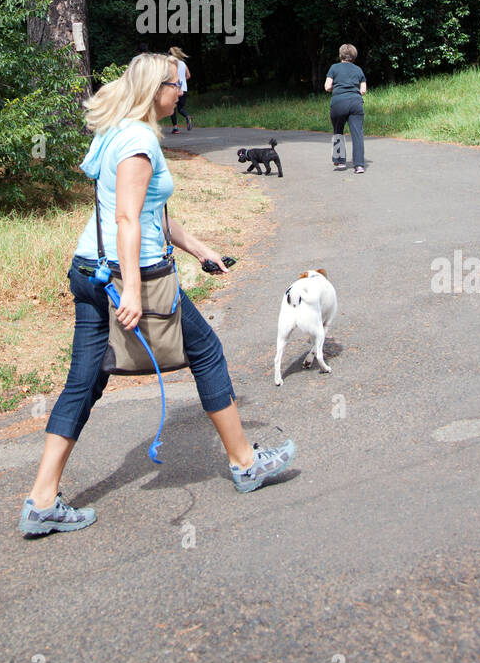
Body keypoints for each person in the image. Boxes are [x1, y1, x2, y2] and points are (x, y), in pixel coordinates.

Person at [18, 52, 296, 535]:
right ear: (155, 87)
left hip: (89, 270)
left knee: (84, 381)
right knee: (206, 351)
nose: (183, 92)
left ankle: (42, 501)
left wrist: (201, 251)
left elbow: (153, 214)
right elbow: (128, 218)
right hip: (134, 276)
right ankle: (246, 464)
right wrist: (130, 290)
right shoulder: (139, 140)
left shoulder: (118, 130)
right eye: (177, 84)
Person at [324, 44, 367, 174]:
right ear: (354, 56)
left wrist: (336, 88)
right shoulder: (358, 70)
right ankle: (359, 165)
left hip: (338, 103)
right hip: (355, 103)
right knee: (357, 134)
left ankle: (340, 162)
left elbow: (327, 86)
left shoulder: (334, 68)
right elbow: (363, 90)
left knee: (338, 131)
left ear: (340, 55)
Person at [168, 45, 192, 133]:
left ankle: (175, 128)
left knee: (172, 108)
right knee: (180, 108)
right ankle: (187, 116)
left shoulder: (171, 64)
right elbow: (188, 76)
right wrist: (183, 81)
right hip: (184, 88)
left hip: (174, 88)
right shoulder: (183, 63)